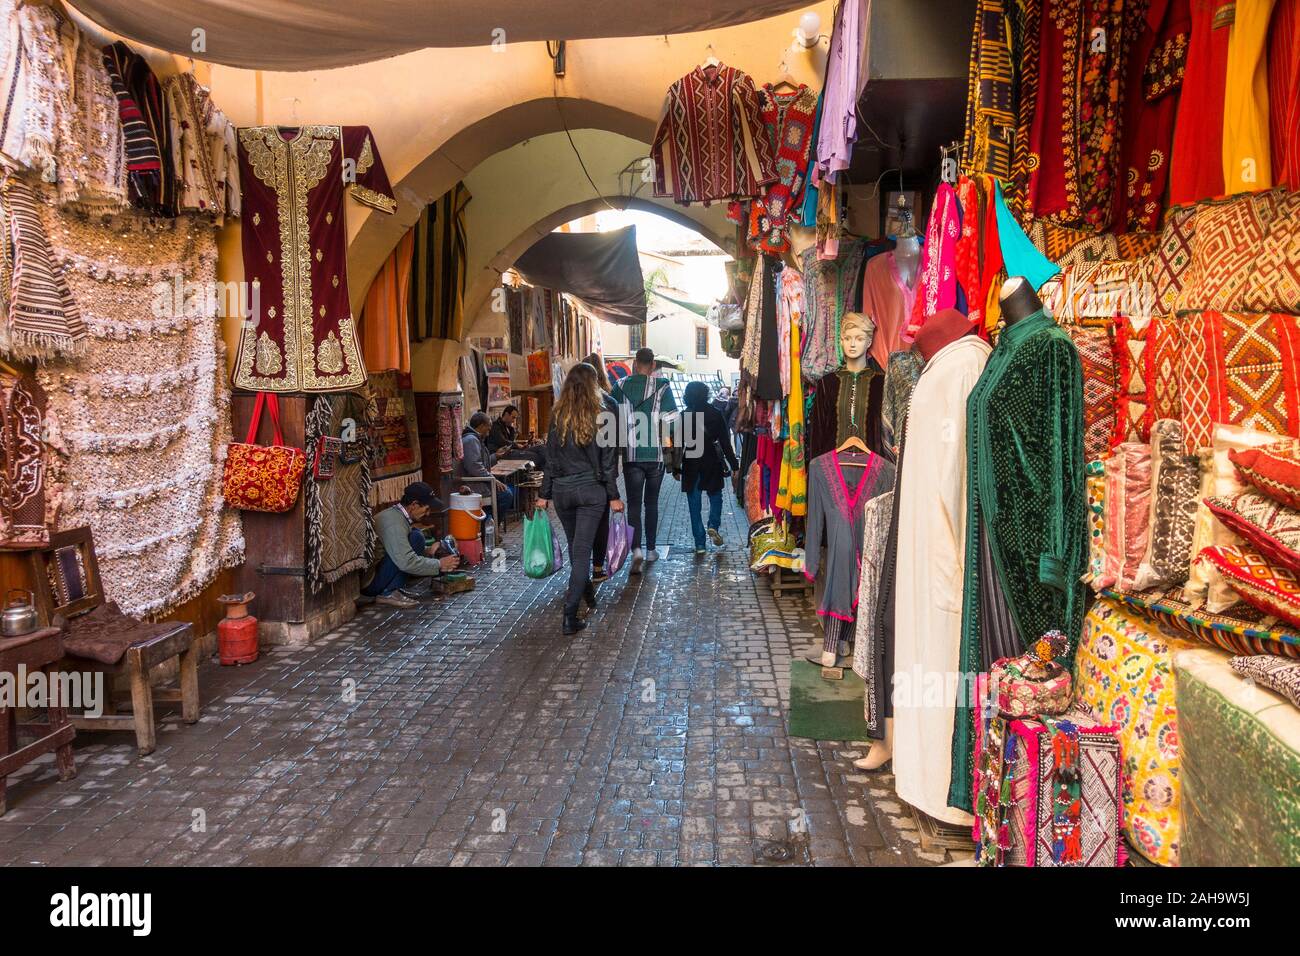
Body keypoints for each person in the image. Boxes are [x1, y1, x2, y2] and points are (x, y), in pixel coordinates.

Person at [536, 362, 624, 635]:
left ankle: (587, 594)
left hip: (563, 492)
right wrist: (614, 496)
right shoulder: (604, 412)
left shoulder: (557, 414)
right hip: (590, 491)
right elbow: (608, 459)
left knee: (577, 547)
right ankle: (570, 614)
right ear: (593, 383)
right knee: (582, 551)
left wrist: (544, 494)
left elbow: (549, 458)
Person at [609, 346, 676, 574]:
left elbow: (611, 417)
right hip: (656, 455)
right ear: (654, 365)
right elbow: (672, 421)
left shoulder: (619, 386)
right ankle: (650, 550)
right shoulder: (663, 386)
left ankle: (635, 549)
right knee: (652, 504)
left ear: (635, 364)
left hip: (631, 455)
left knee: (635, 504)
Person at [360, 482, 460, 608]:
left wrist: (428, 551)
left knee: (416, 536)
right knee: (416, 537)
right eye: (426, 509)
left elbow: (399, 549)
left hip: (380, 572)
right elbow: (406, 561)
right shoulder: (394, 523)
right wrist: (440, 564)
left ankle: (394, 590)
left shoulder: (397, 515)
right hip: (371, 584)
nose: (428, 514)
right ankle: (388, 592)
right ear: (414, 505)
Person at [676, 381, 740, 554]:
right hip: (712, 461)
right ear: (706, 394)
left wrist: (674, 468)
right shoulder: (715, 414)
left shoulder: (684, 416)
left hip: (691, 463)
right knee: (716, 496)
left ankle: (700, 544)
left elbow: (676, 445)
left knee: (694, 504)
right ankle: (713, 524)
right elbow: (726, 443)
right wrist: (734, 465)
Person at [582, 351, 619, 583]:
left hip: (573, 477)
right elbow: (614, 443)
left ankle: (579, 568)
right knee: (600, 520)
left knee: (580, 525)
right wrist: (612, 480)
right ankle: (597, 567)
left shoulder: (566, 407)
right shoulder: (610, 402)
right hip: (601, 475)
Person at [457, 410, 514, 512]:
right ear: (481, 426)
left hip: (480, 482)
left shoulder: (475, 439)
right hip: (474, 486)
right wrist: (493, 479)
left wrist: (495, 456)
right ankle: (489, 523)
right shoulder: (471, 440)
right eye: (489, 425)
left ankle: (488, 522)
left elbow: (479, 463)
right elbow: (474, 466)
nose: (490, 429)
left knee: (507, 490)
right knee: (506, 495)